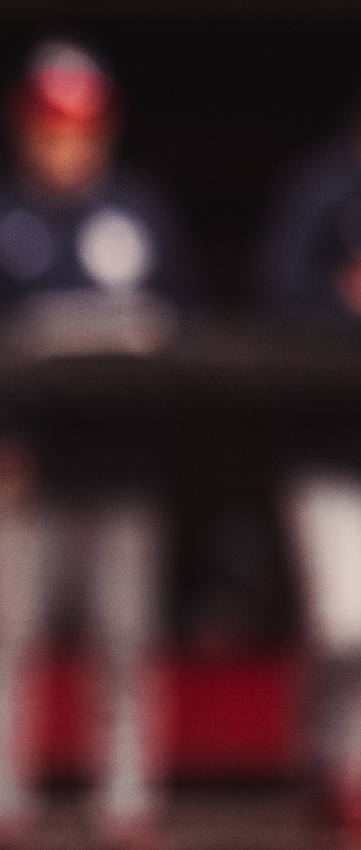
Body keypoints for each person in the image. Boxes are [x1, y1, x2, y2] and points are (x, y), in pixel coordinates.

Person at [0, 37, 195, 850]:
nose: (65, 140)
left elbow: (187, 337)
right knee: (7, 646)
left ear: (106, 126)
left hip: (120, 468)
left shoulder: (142, 214)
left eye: (80, 124)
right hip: (20, 470)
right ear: (24, 125)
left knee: (125, 646)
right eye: (51, 123)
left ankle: (124, 803)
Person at [259, 112, 361, 847]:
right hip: (328, 449)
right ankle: (326, 760)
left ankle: (344, 771)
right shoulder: (322, 192)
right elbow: (285, 300)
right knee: (346, 624)